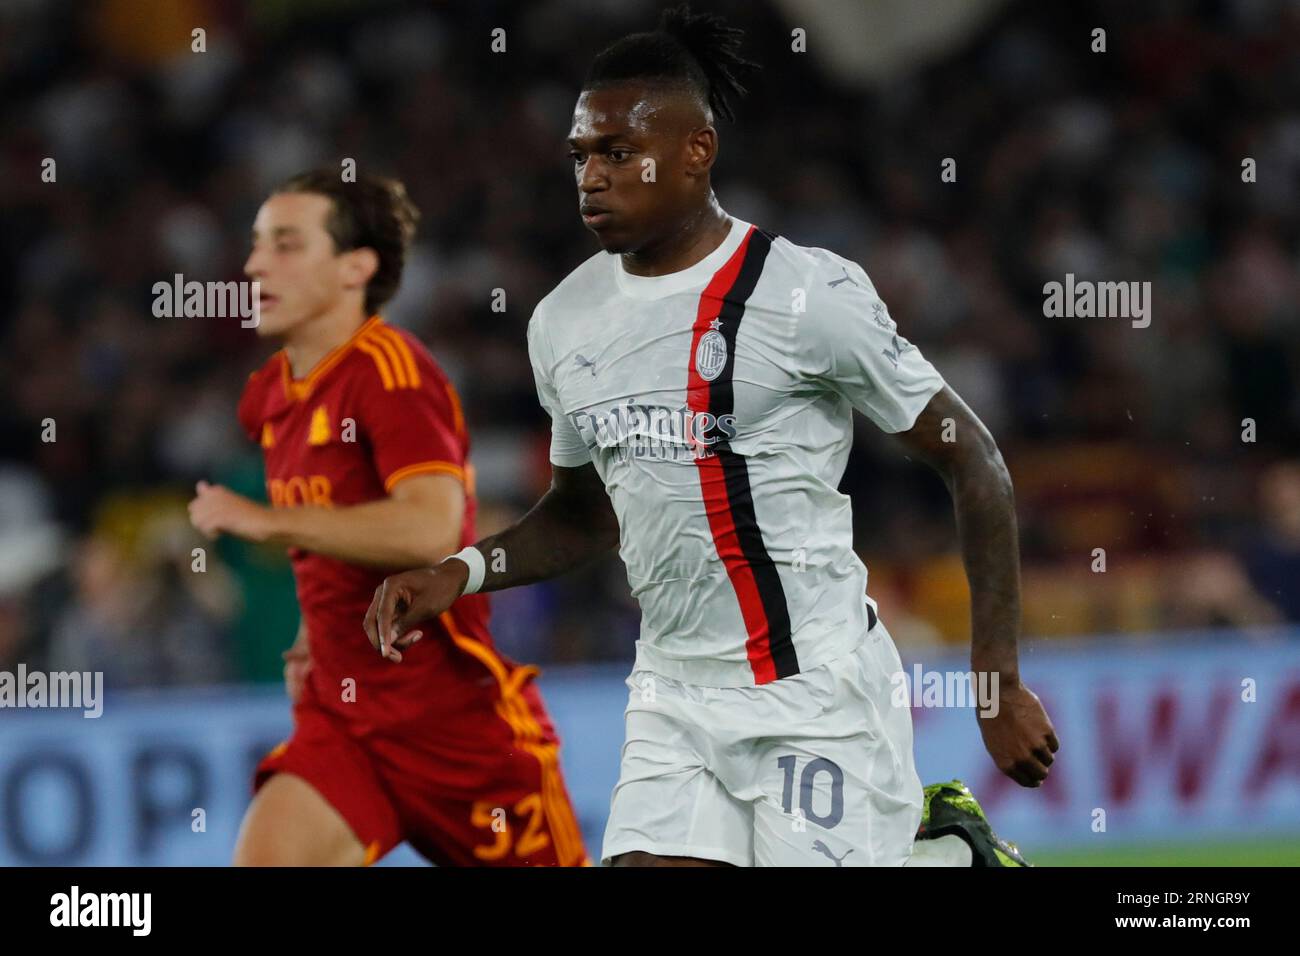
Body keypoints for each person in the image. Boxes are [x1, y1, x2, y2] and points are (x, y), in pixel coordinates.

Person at [365, 5, 1055, 867]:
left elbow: (974, 459)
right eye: (581, 155)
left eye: (618, 152)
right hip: (675, 693)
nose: (591, 178)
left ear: (697, 151)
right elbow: (586, 514)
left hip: (817, 693)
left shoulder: (806, 296)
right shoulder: (563, 322)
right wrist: (460, 573)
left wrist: (996, 685)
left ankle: (947, 856)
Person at [189, 169, 587, 866]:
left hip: (454, 730)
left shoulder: (394, 372)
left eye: (285, 244)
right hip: (345, 725)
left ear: (355, 268)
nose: (254, 264)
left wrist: (268, 523)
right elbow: (334, 526)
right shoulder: (272, 396)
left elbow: (429, 529)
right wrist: (316, 632)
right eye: (255, 245)